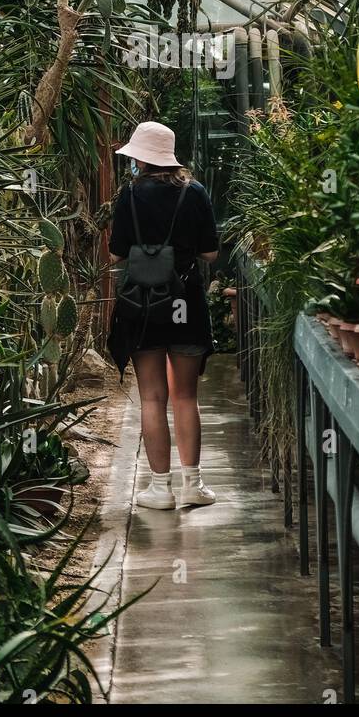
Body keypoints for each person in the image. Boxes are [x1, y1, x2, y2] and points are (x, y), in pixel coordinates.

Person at [108, 121, 219, 510]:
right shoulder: (195, 192)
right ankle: (194, 483)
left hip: (141, 305)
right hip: (183, 301)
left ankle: (160, 488)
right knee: (185, 396)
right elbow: (210, 254)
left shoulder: (129, 196)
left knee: (152, 398)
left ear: (142, 157)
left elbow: (116, 254)